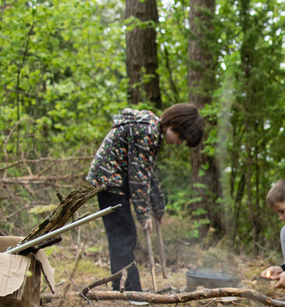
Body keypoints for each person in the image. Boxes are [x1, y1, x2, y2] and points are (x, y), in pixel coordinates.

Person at [85, 103, 205, 292]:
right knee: (124, 237)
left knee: (124, 236)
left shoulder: (152, 130)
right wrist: (143, 214)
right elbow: (138, 177)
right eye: (181, 136)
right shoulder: (147, 131)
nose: (179, 143)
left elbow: (148, 173)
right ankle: (129, 290)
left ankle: (124, 287)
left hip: (115, 180)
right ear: (174, 124)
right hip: (109, 180)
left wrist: (158, 207)